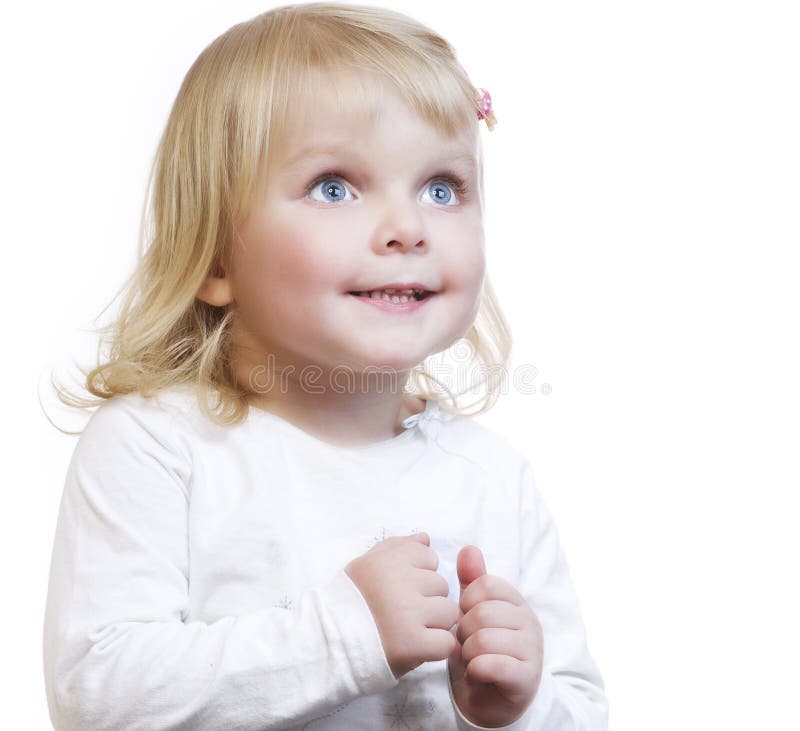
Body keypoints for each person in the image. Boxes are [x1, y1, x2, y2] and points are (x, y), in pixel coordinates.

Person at [42, 3, 608, 729]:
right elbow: (98, 695)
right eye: (335, 186)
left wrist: (516, 707)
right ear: (217, 254)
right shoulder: (157, 447)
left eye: (442, 187)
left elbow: (583, 710)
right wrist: (347, 634)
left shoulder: (494, 478)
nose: (407, 228)